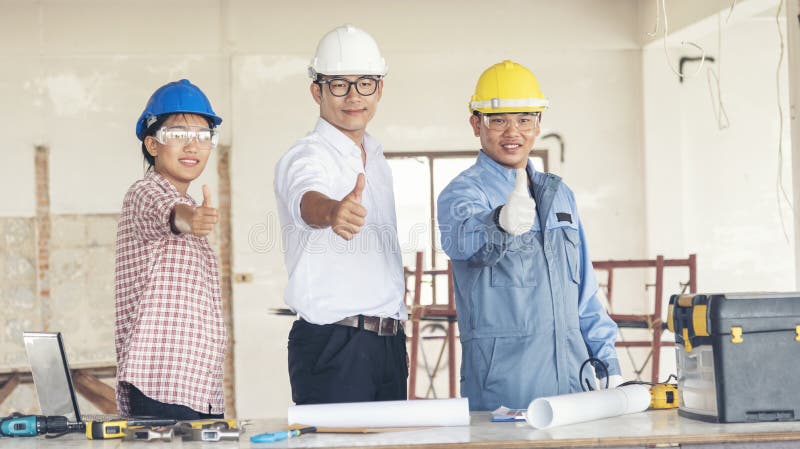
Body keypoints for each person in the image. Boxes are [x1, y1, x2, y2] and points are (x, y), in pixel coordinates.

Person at [437, 60, 622, 411]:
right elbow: (460, 241)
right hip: (506, 392)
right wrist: (498, 222)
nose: (513, 132)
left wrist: (607, 360)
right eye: (499, 120)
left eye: (524, 119)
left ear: (538, 125)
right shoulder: (462, 194)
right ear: (476, 123)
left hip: (574, 386)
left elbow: (584, 291)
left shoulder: (559, 195)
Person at [274, 24, 407, 405]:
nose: (353, 96)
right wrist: (332, 211)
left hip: (389, 344)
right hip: (335, 346)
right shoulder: (306, 155)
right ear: (317, 90)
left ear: (379, 88)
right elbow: (306, 200)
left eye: (364, 83)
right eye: (338, 84)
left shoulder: (378, 160)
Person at [114, 79, 226, 419]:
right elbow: (169, 213)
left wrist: (191, 214)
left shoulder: (186, 200)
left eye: (203, 136)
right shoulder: (143, 193)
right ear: (152, 144)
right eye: (178, 135)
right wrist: (192, 218)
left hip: (197, 389)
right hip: (160, 387)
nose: (192, 146)